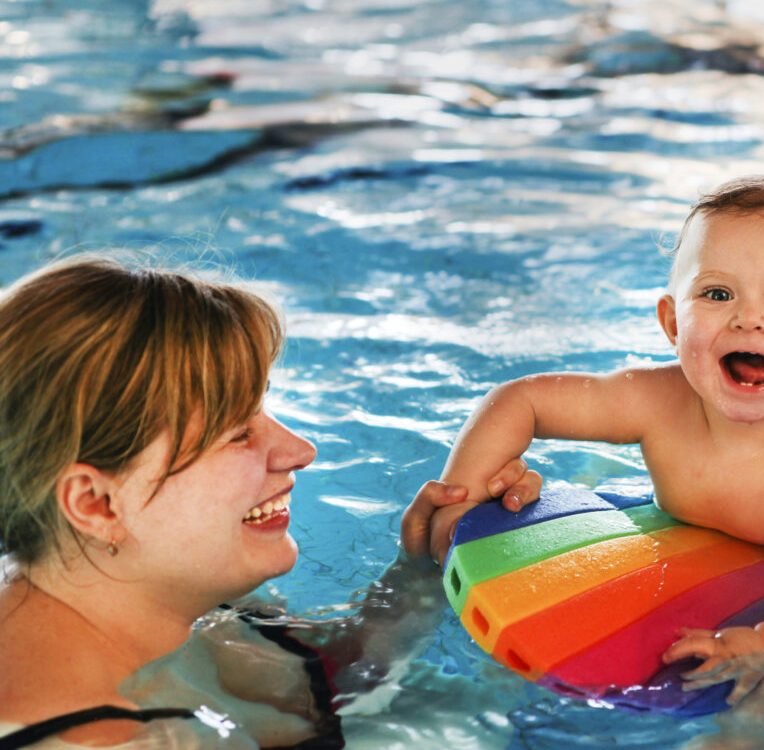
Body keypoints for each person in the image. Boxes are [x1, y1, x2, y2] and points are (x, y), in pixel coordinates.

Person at [401, 174, 764, 706]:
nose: (749, 319)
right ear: (672, 321)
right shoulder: (660, 400)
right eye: (717, 293)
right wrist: (463, 501)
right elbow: (519, 400)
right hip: (676, 554)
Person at [0, 255, 538, 749]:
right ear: (96, 504)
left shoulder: (155, 591)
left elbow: (316, 681)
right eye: (237, 433)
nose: (300, 451)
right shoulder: (93, 738)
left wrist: (423, 571)